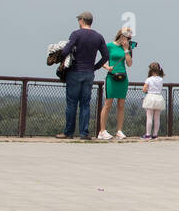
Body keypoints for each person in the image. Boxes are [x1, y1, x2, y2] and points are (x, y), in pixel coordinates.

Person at [55, 11, 108, 140]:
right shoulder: (98, 37)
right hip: (89, 73)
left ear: (82, 21)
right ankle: (84, 133)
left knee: (72, 103)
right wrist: (94, 67)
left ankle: (68, 132)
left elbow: (66, 51)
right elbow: (106, 56)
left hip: (75, 72)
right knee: (85, 104)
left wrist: (61, 58)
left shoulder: (76, 34)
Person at [97, 27, 134, 140]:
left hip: (123, 76)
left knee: (121, 105)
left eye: (129, 37)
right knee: (108, 103)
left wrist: (127, 49)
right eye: (127, 36)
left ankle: (119, 130)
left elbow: (129, 63)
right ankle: (102, 131)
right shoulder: (109, 46)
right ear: (121, 35)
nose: (128, 39)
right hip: (112, 77)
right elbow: (101, 61)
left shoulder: (128, 47)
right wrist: (107, 67)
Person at [141, 62, 165, 140]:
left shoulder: (149, 79)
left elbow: (144, 89)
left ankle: (148, 134)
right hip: (159, 97)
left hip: (150, 97)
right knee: (157, 117)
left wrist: (146, 90)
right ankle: (155, 134)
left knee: (149, 117)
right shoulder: (161, 79)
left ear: (150, 70)